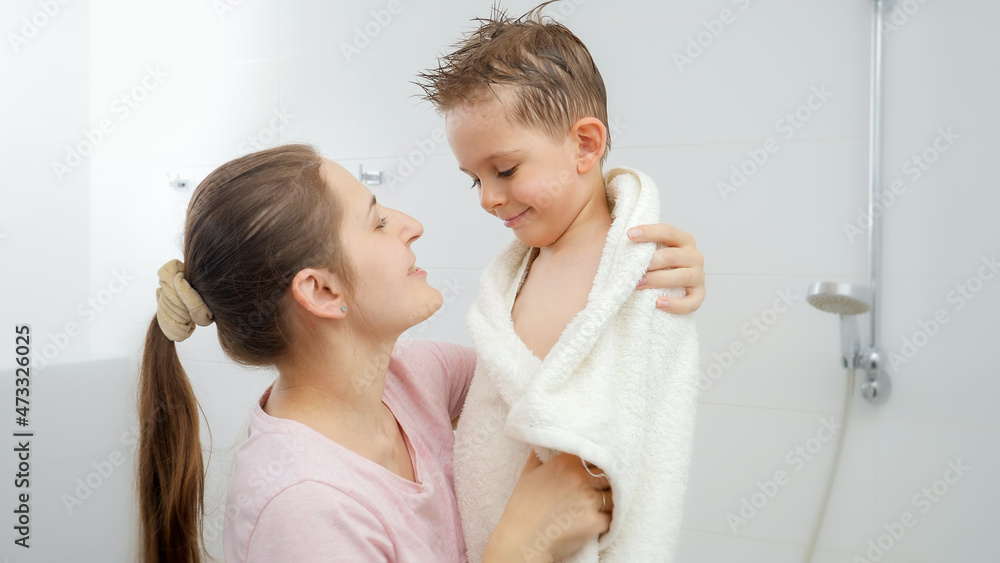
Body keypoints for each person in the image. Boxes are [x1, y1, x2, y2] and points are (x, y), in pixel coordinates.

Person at [135, 144, 705, 562]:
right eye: (378, 221)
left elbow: (547, 378)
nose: (412, 226)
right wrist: (520, 548)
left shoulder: (412, 379)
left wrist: (634, 274)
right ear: (323, 291)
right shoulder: (303, 509)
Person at [416, 3, 703, 561]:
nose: (488, 198)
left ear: (586, 145)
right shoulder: (517, 272)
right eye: (473, 179)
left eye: (504, 170)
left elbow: (651, 427)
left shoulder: (641, 272)